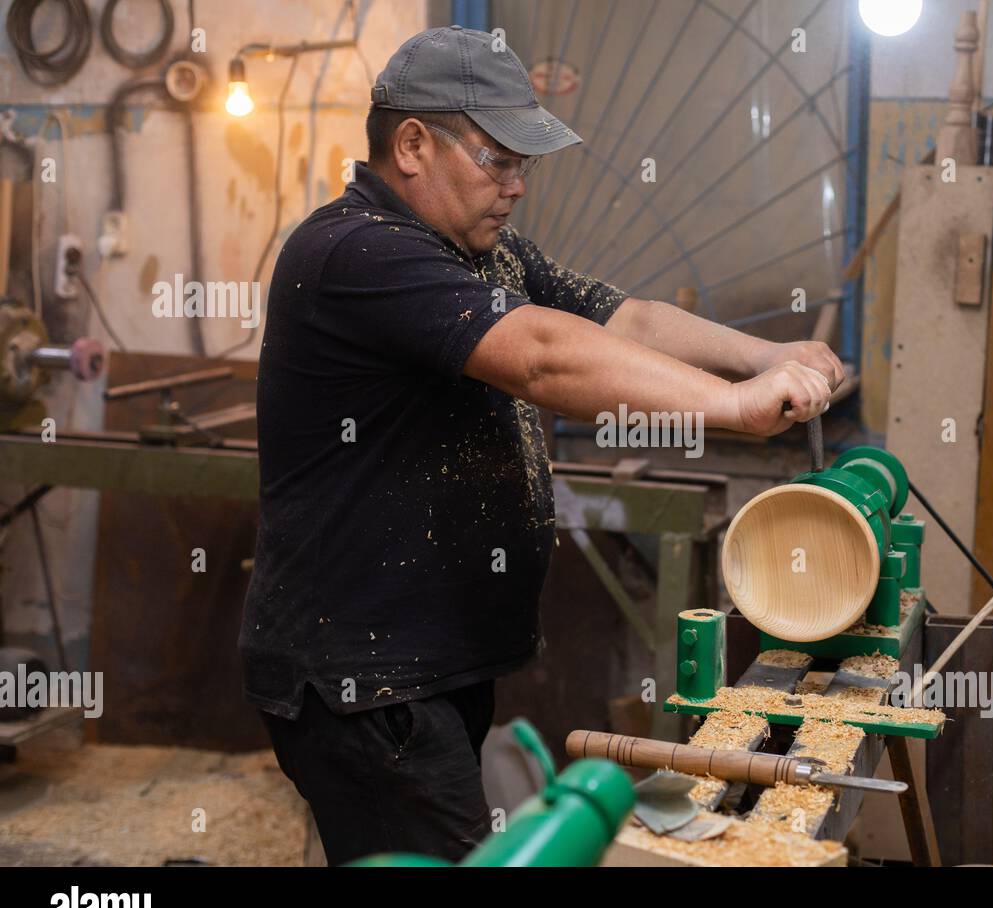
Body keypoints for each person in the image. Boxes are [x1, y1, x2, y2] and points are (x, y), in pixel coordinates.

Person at [238, 26, 842, 864]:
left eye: (526, 163)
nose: (518, 185)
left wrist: (767, 355)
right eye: (499, 159)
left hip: (426, 667)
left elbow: (622, 318)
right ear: (412, 144)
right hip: (362, 678)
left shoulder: (484, 251)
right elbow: (541, 356)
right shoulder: (355, 251)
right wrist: (734, 408)